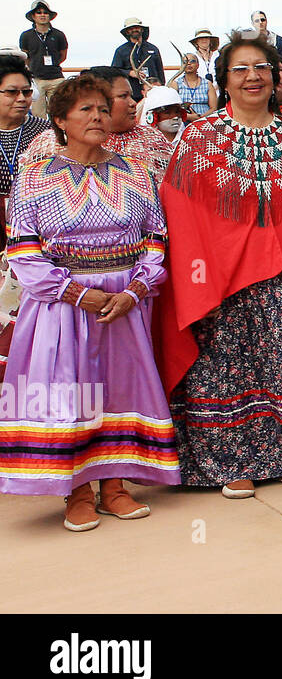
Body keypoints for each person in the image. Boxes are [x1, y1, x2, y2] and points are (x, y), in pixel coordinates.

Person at [0, 73, 178, 530]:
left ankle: (115, 487)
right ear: (60, 120)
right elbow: (23, 251)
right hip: (61, 304)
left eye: (102, 108)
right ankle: (76, 490)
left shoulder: (136, 172)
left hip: (124, 303)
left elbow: (156, 238)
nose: (97, 116)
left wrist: (136, 290)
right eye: (85, 110)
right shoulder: (34, 177)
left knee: (120, 389)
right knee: (72, 394)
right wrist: (79, 293)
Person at [158, 37, 282, 498]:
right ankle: (228, 462)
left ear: (277, 77)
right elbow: (181, 213)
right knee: (222, 368)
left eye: (262, 67)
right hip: (221, 279)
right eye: (240, 69)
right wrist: (199, 280)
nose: (252, 76)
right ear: (224, 79)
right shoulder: (198, 138)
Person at [24, 67, 173, 183]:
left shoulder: (151, 140)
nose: (133, 103)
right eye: (123, 96)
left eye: (131, 95)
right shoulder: (47, 145)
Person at [0, 54, 51, 371]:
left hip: (35, 231)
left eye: (26, 91)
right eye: (11, 92)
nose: (21, 98)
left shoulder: (46, 133)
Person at [19, 0, 67, 119]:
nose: (42, 15)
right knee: (38, 114)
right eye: (39, 12)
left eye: (45, 12)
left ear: (50, 16)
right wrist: (34, 67)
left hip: (56, 78)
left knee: (59, 112)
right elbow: (25, 57)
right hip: (36, 79)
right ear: (33, 16)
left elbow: (63, 55)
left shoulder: (59, 35)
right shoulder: (26, 36)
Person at [110, 19, 164, 94]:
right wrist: (130, 73)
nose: (134, 30)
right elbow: (114, 70)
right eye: (131, 28)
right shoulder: (121, 50)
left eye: (137, 27)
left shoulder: (153, 49)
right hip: (132, 91)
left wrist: (162, 87)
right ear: (127, 32)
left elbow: (160, 71)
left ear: (142, 29)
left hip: (152, 91)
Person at [168, 51, 218, 119]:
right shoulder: (175, 84)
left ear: (198, 65)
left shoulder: (207, 83)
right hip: (183, 120)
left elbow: (214, 108)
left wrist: (201, 118)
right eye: (185, 62)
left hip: (205, 120)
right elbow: (172, 107)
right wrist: (188, 117)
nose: (189, 63)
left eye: (192, 61)